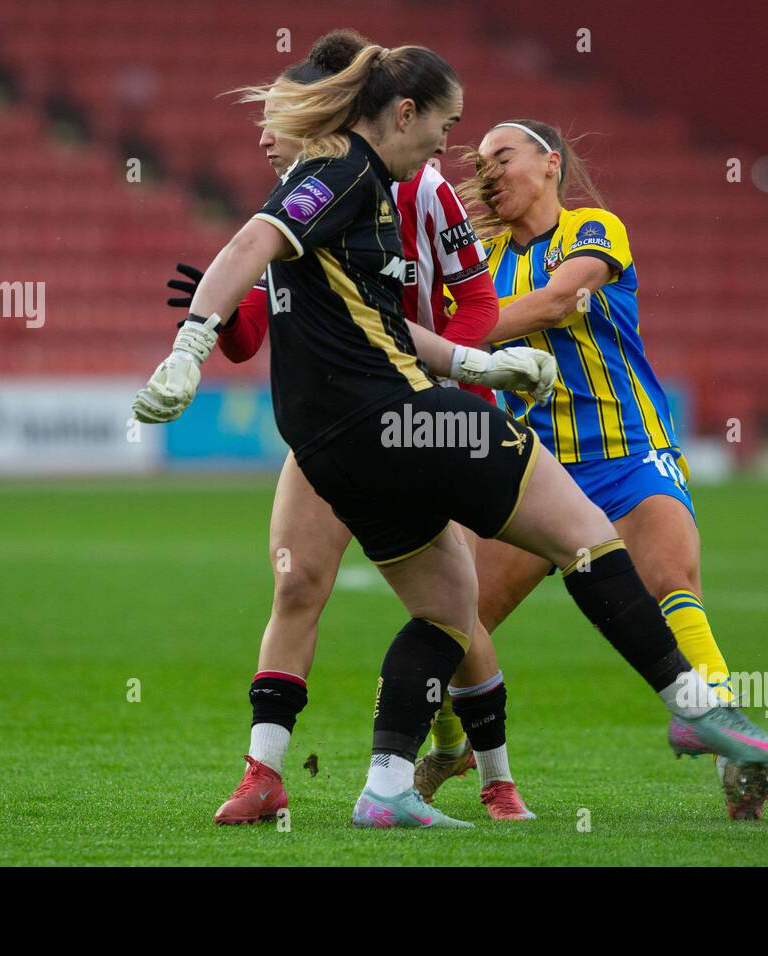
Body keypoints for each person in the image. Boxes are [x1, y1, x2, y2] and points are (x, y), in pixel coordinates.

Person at [134, 42, 768, 829]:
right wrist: (190, 347)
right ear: (404, 113)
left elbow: (386, 328)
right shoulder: (345, 172)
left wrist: (487, 368)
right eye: (445, 128)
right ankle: (691, 704)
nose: (449, 151)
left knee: (451, 614)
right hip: (406, 420)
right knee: (584, 530)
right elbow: (249, 245)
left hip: (332, 451)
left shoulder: (366, 190)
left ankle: (387, 789)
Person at [163, 31, 535, 823]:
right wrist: (220, 321)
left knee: (453, 605)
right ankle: (264, 774)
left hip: (420, 414)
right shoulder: (300, 201)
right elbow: (259, 329)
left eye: (278, 117)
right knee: (299, 583)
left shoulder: (416, 187)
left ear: (323, 117)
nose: (264, 134)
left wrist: (456, 380)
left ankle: (496, 776)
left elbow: (476, 299)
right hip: (338, 428)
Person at [436, 118, 768, 819]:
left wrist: (454, 337)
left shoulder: (595, 229)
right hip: (537, 468)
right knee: (456, 619)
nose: (489, 171)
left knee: (672, 581)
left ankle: (729, 751)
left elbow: (561, 299)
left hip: (629, 452)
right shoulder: (483, 259)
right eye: (481, 163)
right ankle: (450, 745)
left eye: (503, 156)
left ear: (550, 163)